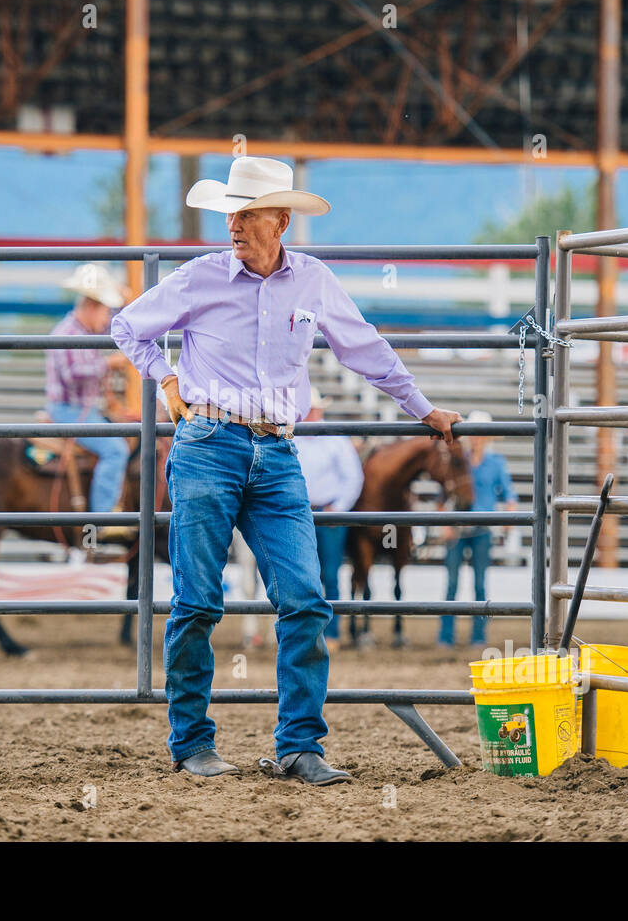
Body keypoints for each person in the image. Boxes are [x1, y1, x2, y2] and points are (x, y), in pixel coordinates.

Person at [111, 155, 463, 785]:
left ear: (281, 222)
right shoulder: (200, 278)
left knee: (304, 598)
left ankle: (300, 745)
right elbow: (128, 326)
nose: (234, 225)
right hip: (208, 442)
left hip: (276, 452)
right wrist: (166, 379)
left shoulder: (314, 282)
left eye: (247, 215)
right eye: (231, 214)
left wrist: (423, 408)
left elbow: (366, 349)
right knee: (199, 600)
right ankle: (191, 742)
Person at [44, 264, 130, 520]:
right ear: (92, 306)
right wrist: (109, 363)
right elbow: (74, 375)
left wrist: (124, 304)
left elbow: (118, 324)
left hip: (79, 409)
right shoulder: (66, 334)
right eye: (106, 310)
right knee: (116, 450)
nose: (107, 318)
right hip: (68, 410)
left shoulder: (82, 329)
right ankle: (102, 519)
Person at [437, 410, 517, 648]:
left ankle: (477, 636)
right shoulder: (459, 460)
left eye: (480, 434)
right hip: (459, 527)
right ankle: (447, 636)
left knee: (479, 584)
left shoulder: (495, 463)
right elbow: (443, 495)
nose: (476, 438)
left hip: (481, 528)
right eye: (473, 434)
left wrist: (509, 516)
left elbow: (509, 495)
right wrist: (444, 523)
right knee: (452, 583)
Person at [293, 387, 363, 653]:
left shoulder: (335, 439)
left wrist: (339, 508)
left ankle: (331, 633)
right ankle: (309, 634)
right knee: (302, 577)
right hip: (299, 514)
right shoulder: (295, 436)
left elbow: (353, 479)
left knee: (330, 575)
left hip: (326, 513)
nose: (311, 412)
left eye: (314, 408)